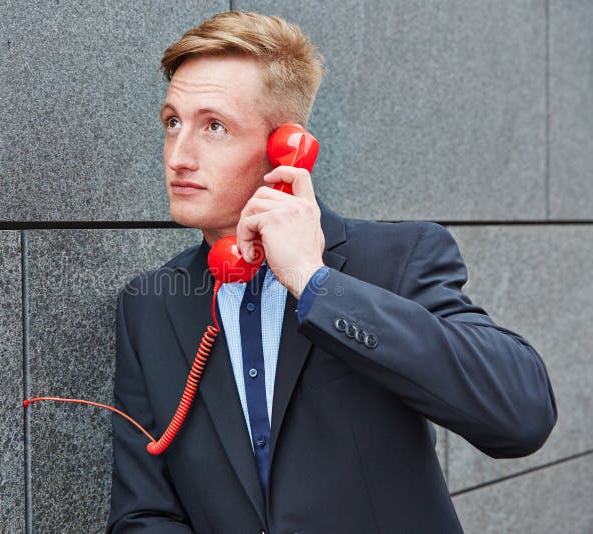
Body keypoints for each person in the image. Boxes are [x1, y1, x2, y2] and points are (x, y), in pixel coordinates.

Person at [107, 11, 556, 533]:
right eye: (172, 122)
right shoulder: (150, 304)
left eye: (214, 126)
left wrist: (315, 282)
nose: (178, 156)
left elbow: (522, 416)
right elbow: (144, 513)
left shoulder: (397, 259)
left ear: (287, 147)